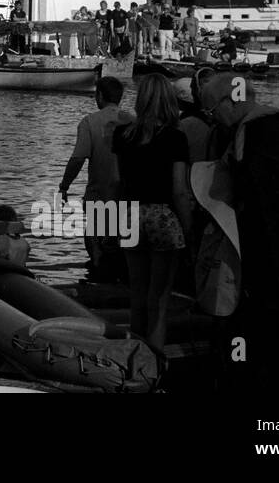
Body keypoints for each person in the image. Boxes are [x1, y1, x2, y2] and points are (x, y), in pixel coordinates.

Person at [198, 75, 279, 391]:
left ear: (232, 99)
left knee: (265, 331)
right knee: (272, 330)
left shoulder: (259, 132)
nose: (212, 119)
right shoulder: (272, 126)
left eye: (212, 111)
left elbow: (272, 200)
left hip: (272, 255)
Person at [112, 73, 193, 353]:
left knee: (137, 293)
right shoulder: (175, 138)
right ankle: (155, 361)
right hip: (163, 217)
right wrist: (189, 227)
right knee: (158, 299)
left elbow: (117, 183)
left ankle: (133, 358)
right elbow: (179, 190)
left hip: (131, 216)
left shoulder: (122, 135)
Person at [59, 76, 134, 282]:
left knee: (96, 245)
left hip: (99, 195)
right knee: (125, 246)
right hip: (128, 197)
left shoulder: (89, 122)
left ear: (99, 96)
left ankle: (98, 280)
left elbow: (78, 158)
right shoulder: (133, 121)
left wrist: (64, 186)